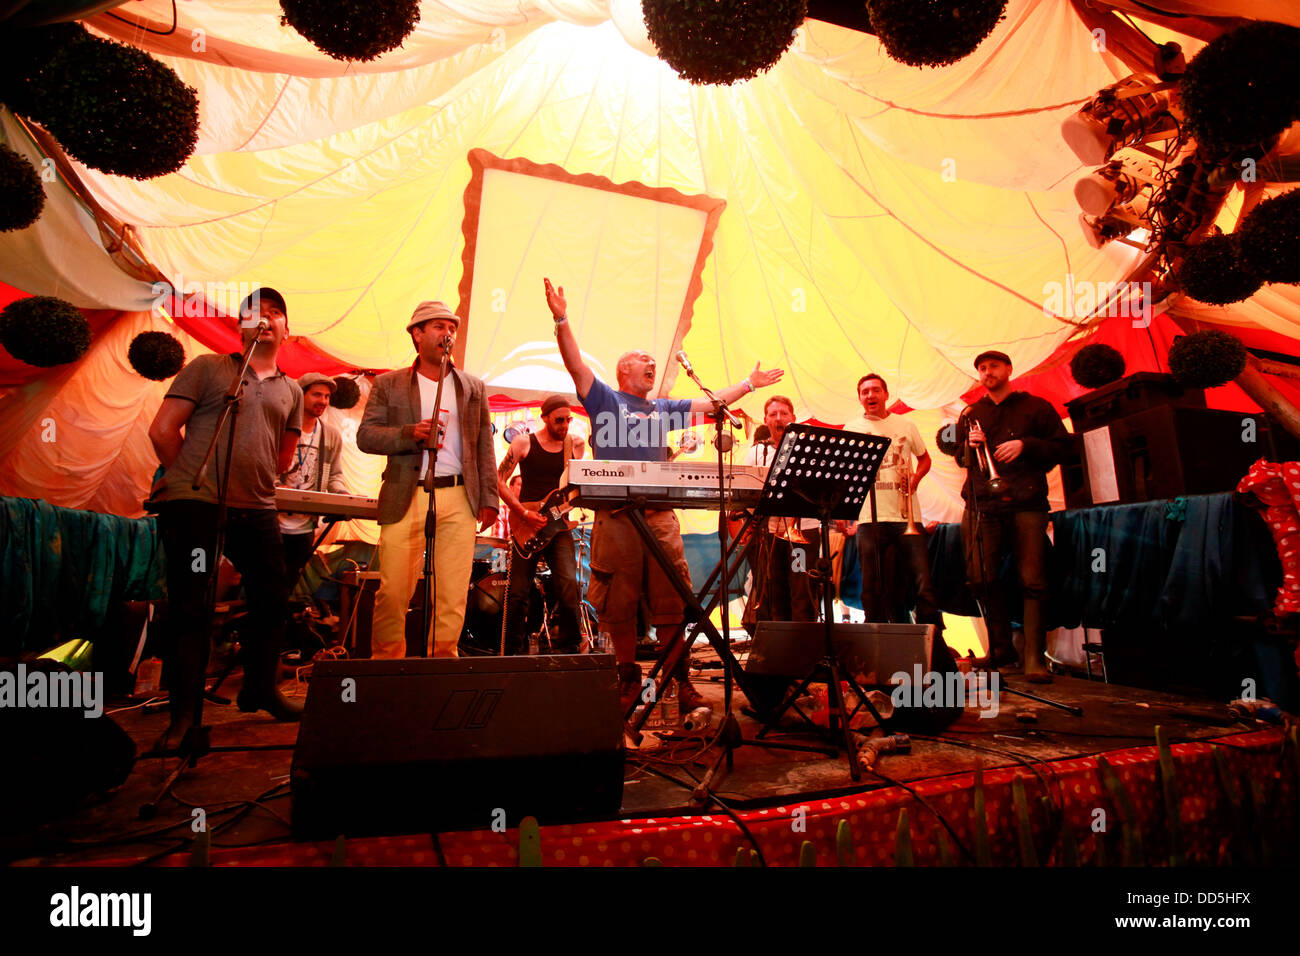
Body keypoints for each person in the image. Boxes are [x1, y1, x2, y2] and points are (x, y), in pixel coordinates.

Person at [544, 276, 784, 712]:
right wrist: (561, 318)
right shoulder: (603, 400)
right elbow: (575, 364)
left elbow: (711, 405)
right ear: (623, 372)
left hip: (660, 515)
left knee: (673, 600)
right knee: (617, 601)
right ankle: (628, 680)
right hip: (615, 516)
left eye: (652, 360)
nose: (651, 363)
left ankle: (681, 682)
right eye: (643, 360)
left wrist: (748, 385)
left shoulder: (663, 408)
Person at [146, 287, 304, 748]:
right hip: (196, 505)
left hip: (257, 508)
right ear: (240, 326)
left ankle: (261, 688)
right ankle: (184, 718)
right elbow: (161, 429)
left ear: (286, 329)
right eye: (256, 313)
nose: (266, 320)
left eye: (276, 313)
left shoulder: (291, 390)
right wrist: (187, 480)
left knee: (272, 599)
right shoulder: (209, 368)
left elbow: (282, 458)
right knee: (191, 608)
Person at [357, 301, 499, 658]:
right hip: (407, 493)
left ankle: (441, 663)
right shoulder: (389, 384)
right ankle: (387, 662)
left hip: (458, 495)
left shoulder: (473, 386)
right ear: (417, 334)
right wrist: (409, 434)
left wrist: (490, 498)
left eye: (451, 327)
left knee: (451, 592)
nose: (447, 333)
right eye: (438, 326)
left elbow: (484, 445)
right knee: (393, 590)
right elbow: (366, 436)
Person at [954, 350, 1073, 682]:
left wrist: (1027, 445)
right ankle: (1001, 650)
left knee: (1033, 581)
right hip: (982, 506)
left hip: (1026, 502)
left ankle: (1035, 658)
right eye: (981, 368)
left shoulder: (1036, 407)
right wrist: (969, 445)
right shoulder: (971, 413)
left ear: (1008, 368)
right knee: (980, 578)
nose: (986, 372)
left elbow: (1065, 449)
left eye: (993, 366)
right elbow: (963, 462)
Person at [841, 374, 942, 634]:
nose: (871, 395)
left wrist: (916, 479)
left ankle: (933, 641)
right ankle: (876, 638)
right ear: (860, 398)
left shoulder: (906, 424)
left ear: (886, 394)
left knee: (923, 581)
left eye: (876, 390)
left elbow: (925, 459)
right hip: (869, 518)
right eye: (865, 392)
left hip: (907, 514)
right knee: (871, 584)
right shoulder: (851, 428)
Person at [497, 394, 586, 654]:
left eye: (569, 420)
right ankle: (513, 652)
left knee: (569, 584)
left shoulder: (575, 445)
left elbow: (575, 486)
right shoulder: (524, 443)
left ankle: (569, 648)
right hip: (528, 525)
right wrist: (523, 513)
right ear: (545, 417)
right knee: (517, 592)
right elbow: (499, 481)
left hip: (559, 526)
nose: (565, 425)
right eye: (559, 420)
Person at [742, 395, 820, 623]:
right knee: (773, 590)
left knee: (801, 588)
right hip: (769, 532)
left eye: (783, 414)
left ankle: (803, 646)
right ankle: (778, 647)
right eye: (773, 414)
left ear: (793, 418)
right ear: (766, 421)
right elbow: (746, 493)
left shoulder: (810, 451)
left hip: (803, 530)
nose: (779, 418)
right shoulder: (756, 453)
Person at [278, 371, 348, 597]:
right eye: (317, 394)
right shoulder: (281, 427)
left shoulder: (331, 436)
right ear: (301, 395)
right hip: (272, 520)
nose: (323, 401)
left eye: (327, 396)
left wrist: (342, 494)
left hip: (305, 526)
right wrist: (276, 486)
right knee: (266, 582)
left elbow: (335, 474)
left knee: (288, 583)